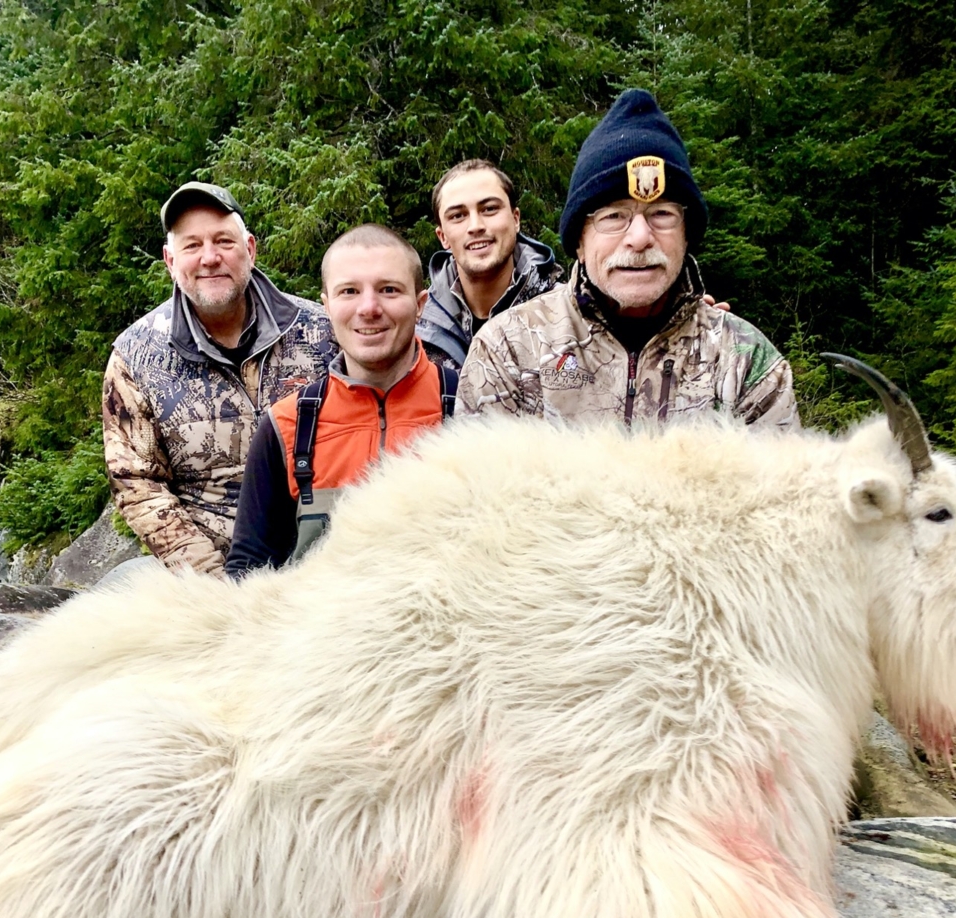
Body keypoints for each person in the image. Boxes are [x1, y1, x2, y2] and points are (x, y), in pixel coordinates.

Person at [457, 90, 799, 430]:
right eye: (613, 216)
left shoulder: (745, 361)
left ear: (686, 235)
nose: (639, 238)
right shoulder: (507, 350)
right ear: (579, 241)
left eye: (661, 214)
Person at [102, 182, 336, 576]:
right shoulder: (136, 355)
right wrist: (210, 580)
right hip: (210, 569)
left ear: (250, 249)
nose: (210, 258)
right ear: (170, 261)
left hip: (325, 558)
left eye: (224, 242)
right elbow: (137, 482)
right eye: (192, 246)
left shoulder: (322, 331)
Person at [226, 225, 455, 576]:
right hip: (321, 612)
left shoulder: (466, 405)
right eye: (349, 291)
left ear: (420, 304)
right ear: (327, 307)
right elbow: (247, 566)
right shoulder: (287, 427)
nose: (369, 308)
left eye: (389, 290)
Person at [416, 159, 564, 373]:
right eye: (458, 216)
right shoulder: (417, 333)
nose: (475, 226)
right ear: (443, 237)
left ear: (515, 219)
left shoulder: (567, 314)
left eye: (489, 209)